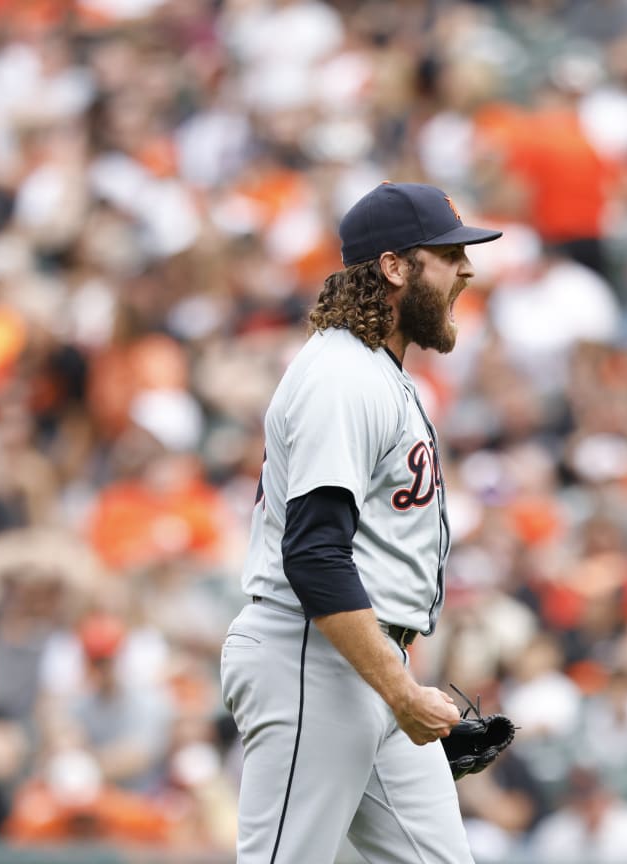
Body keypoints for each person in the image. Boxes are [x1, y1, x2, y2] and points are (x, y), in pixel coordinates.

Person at [219, 181, 501, 863]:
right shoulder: (342, 377)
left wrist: (395, 686)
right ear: (395, 266)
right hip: (310, 657)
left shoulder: (376, 372)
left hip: (364, 662)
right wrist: (401, 691)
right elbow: (314, 555)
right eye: (448, 254)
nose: (467, 268)